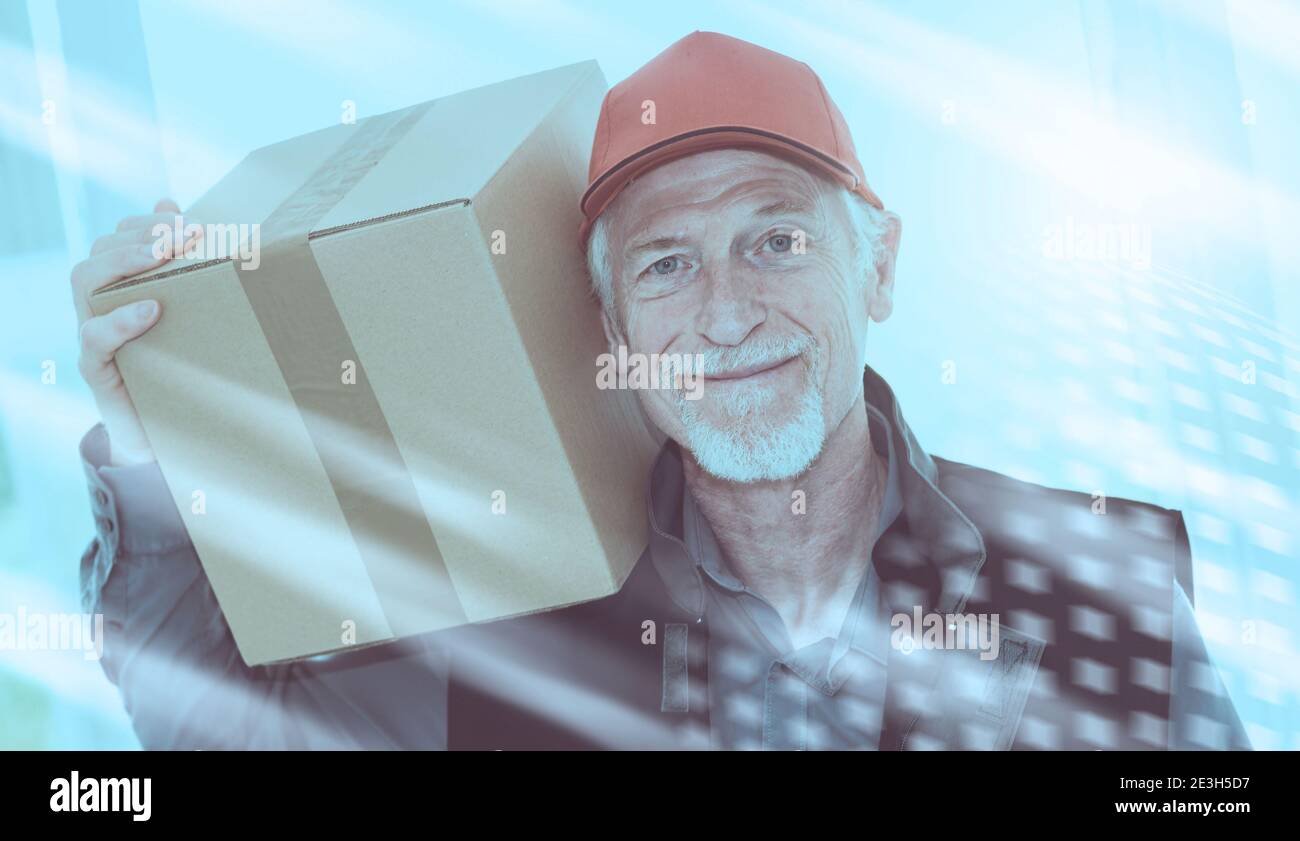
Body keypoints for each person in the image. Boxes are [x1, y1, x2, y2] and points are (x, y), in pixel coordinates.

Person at [74, 31, 1248, 750]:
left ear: (876, 264)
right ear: (614, 327)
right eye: (667, 265)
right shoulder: (520, 625)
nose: (727, 313)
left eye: (777, 240)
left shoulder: (1099, 588)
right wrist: (150, 438)